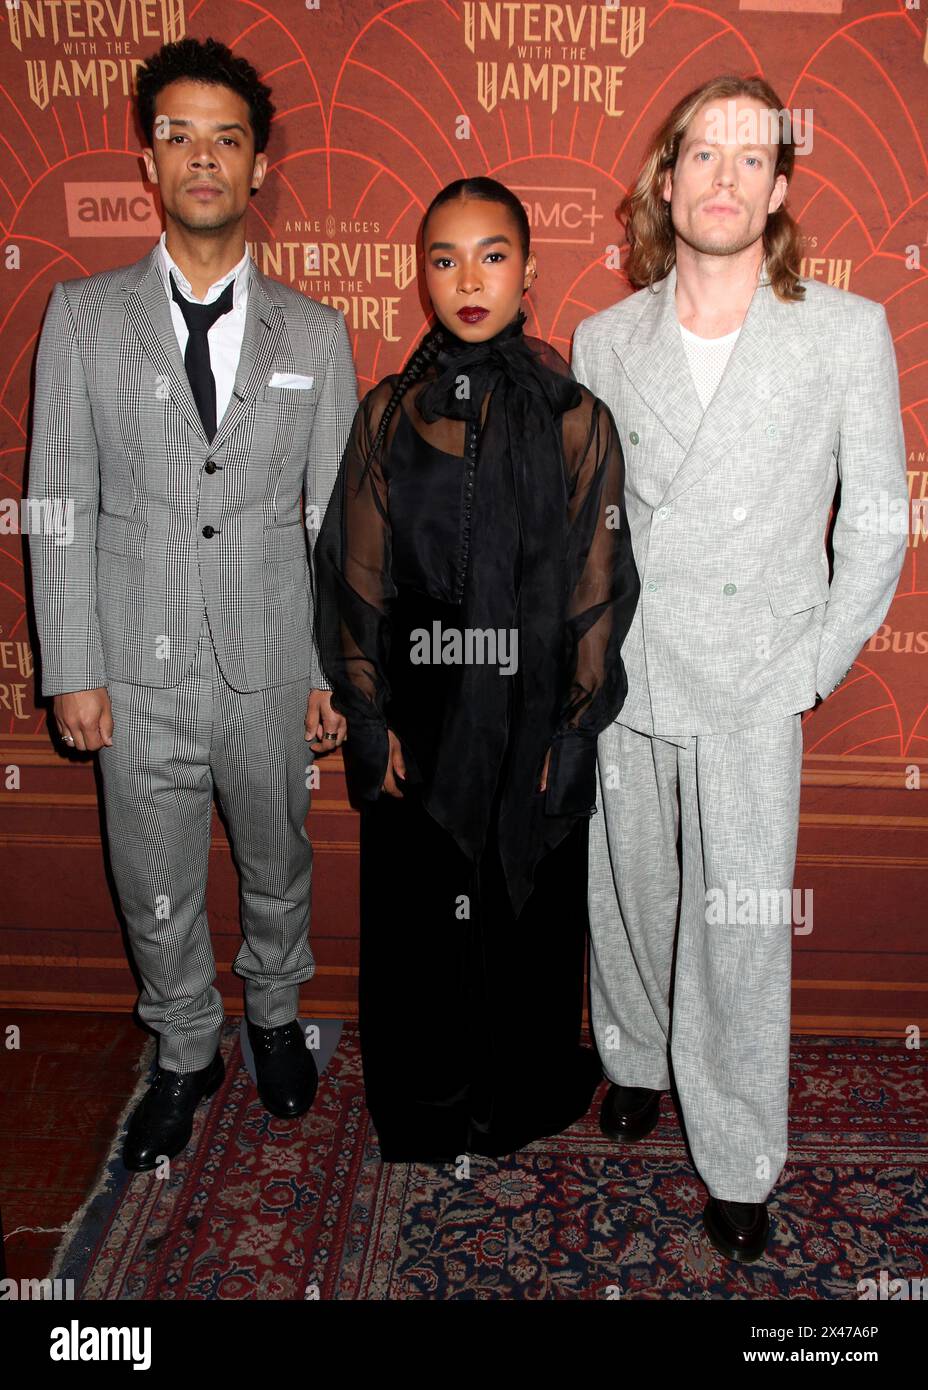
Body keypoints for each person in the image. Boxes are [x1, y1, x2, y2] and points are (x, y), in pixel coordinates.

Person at [572, 75, 908, 1260]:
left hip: (757, 678)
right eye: (700, 154)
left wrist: (810, 665)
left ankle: (738, 1151)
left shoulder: (841, 328)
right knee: (627, 891)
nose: (722, 176)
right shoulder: (603, 339)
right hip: (630, 672)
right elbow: (588, 518)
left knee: (738, 926)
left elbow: (874, 519)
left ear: (777, 187)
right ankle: (631, 1055)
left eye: (749, 157)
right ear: (666, 182)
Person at [26, 37, 358, 1171]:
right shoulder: (79, 318)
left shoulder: (315, 332)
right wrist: (69, 661)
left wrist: (331, 671)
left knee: (279, 861)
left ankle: (272, 1019)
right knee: (151, 873)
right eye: (180, 135)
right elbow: (55, 502)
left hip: (271, 657)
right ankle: (182, 1047)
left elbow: (337, 524)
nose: (204, 157)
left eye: (227, 137)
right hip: (130, 662)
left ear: (257, 163)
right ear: (148, 158)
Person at [313, 176, 640, 1162]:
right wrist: (369, 716)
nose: (468, 278)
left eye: (491, 255)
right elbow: (353, 575)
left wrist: (575, 729)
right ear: (420, 274)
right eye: (444, 257)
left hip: (531, 710)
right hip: (423, 708)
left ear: (528, 270)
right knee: (422, 928)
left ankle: (517, 1093)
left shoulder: (578, 419)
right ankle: (426, 1105)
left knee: (522, 914)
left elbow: (599, 585)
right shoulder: (386, 413)